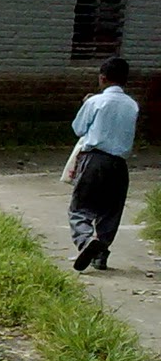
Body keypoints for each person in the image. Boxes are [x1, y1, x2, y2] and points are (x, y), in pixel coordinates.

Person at [68, 56, 140, 272]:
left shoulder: (95, 102)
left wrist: (86, 104)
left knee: (81, 207)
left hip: (94, 160)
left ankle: (85, 239)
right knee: (110, 211)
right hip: (119, 164)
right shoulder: (133, 105)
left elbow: (78, 129)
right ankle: (101, 253)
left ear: (102, 78)